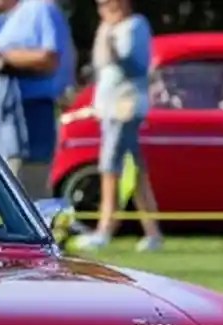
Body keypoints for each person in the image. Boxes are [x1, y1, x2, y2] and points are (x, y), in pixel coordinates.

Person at [74, 0, 163, 252]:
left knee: (110, 166)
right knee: (134, 169)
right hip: (110, 108)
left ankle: (105, 228)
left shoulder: (135, 26)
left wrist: (113, 47)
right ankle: (153, 231)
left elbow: (136, 67)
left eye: (107, 3)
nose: (102, 9)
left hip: (126, 107)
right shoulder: (106, 27)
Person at [0, 0, 75, 199]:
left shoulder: (40, 8)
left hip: (31, 114)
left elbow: (49, 59)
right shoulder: (1, 21)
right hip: (1, 121)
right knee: (9, 188)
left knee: (31, 190)